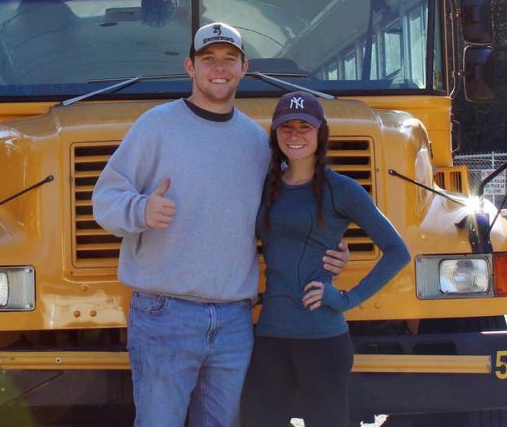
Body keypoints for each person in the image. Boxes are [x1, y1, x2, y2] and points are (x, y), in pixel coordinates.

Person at [92, 23, 349, 427]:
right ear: (190, 67)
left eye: (229, 60)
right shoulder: (155, 126)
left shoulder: (255, 141)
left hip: (233, 319)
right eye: (208, 59)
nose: (219, 68)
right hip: (164, 312)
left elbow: (287, 209)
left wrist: (329, 242)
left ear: (243, 67)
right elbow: (104, 200)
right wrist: (141, 210)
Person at [240, 90, 412, 427]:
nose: (295, 134)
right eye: (286, 126)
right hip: (271, 333)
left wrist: (347, 299)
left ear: (321, 133)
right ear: (275, 135)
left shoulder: (342, 189)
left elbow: (397, 251)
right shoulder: (265, 187)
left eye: (305, 126)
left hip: (322, 337)